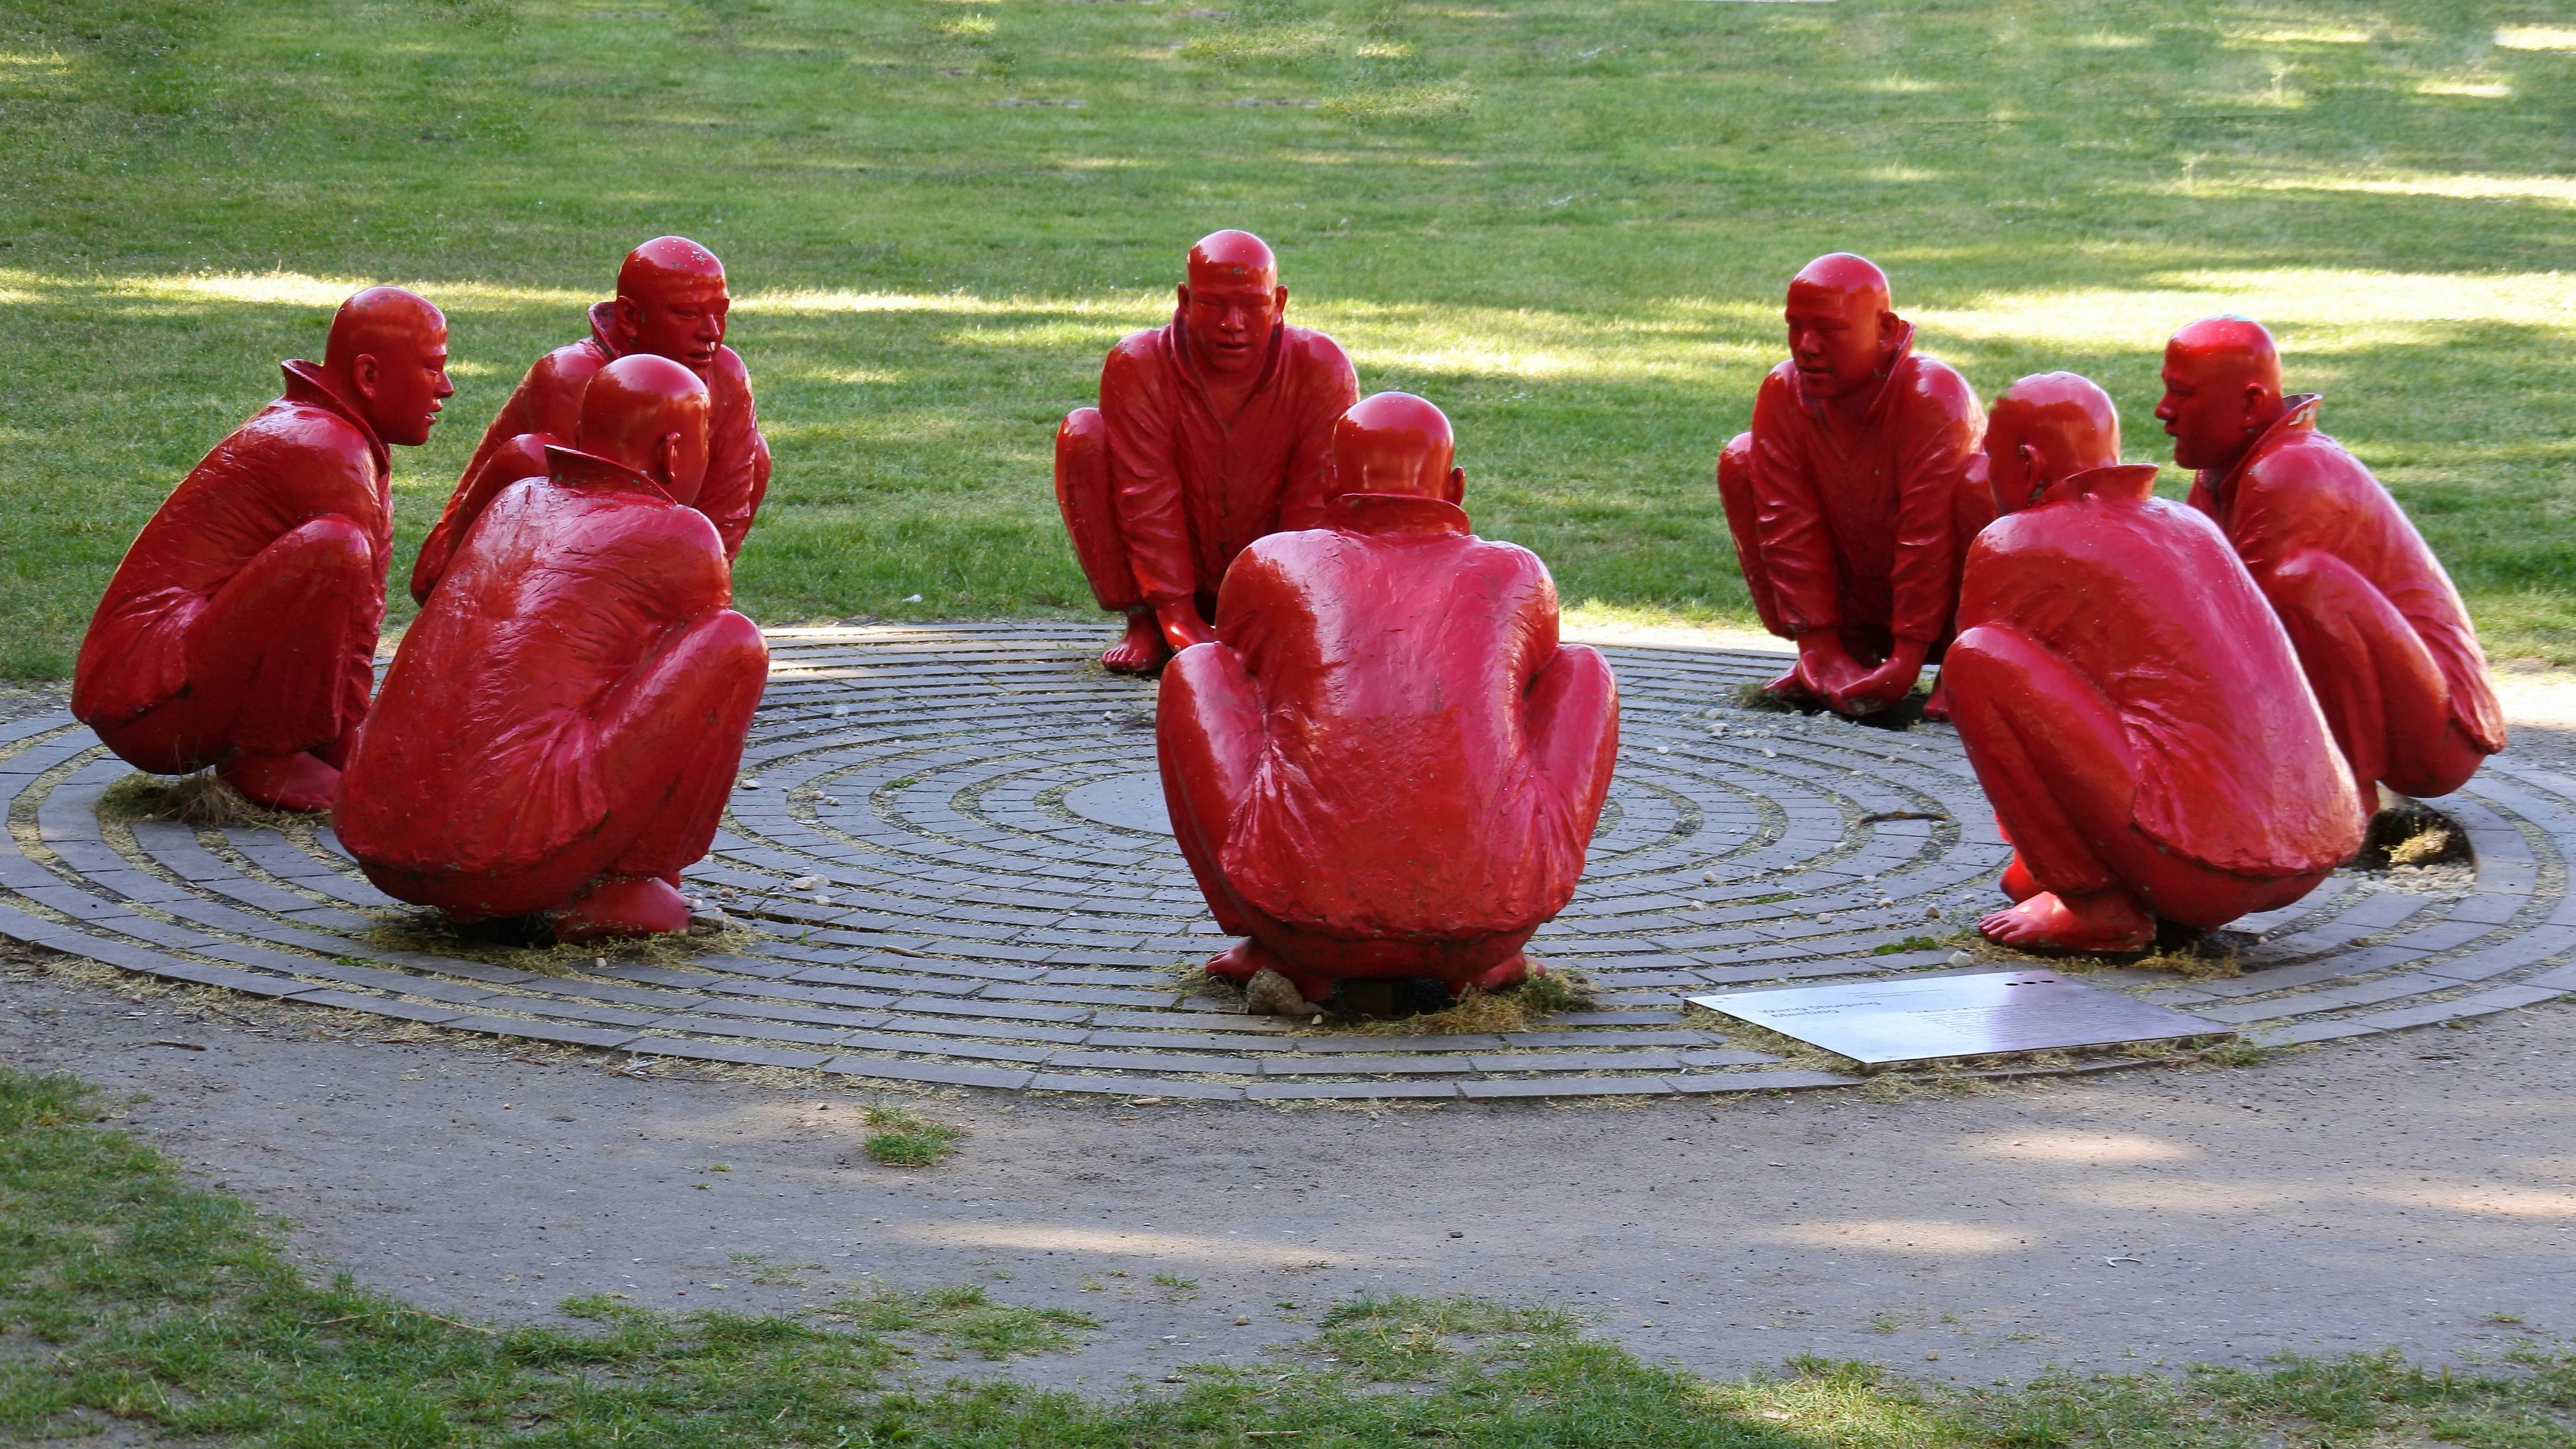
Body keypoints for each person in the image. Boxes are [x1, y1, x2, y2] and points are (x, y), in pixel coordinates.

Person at [1156, 392, 1619, 1005]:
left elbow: (1253, 681)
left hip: (1302, 922)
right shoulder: (1517, 574)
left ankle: (1265, 940)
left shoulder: (1272, 561)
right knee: (1583, 671)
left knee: (1198, 670)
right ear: (1455, 487)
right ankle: (1495, 951)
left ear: (1328, 483)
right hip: (1487, 926)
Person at [337, 355, 768, 942]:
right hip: (508, 862)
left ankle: (503, 875)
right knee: (732, 642)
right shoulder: (683, 535)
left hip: (384, 845)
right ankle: (628, 880)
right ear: (672, 452)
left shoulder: (516, 500)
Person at [1947, 373, 2362, 953]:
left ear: (2028, 462)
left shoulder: (2013, 541)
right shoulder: (2189, 525)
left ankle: (2096, 908)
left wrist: (2046, 866)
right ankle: (2102, 886)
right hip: (2313, 847)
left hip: (2197, 867)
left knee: (1975, 661)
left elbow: (2010, 729)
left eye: (1990, 456)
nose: (1983, 474)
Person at [71, 287, 452, 812]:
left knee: (340, 550)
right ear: (369, 377)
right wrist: (353, 744)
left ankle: (303, 743)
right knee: (335, 549)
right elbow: (358, 613)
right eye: (434, 368)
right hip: (152, 703)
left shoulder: (342, 437)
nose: (447, 389)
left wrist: (353, 742)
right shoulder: (325, 447)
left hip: (164, 684)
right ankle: (267, 757)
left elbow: (352, 623)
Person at [2159, 316, 2504, 802]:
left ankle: (2344, 799)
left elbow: (2251, 642)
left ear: (2250, 403)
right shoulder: (2222, 472)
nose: (2162, 412)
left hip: (2440, 732)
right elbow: (2196, 607)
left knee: (2301, 586)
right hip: (2407, 706)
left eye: (2182, 394)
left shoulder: (2287, 471)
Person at [1055, 229, 1359, 674]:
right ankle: (1145, 620)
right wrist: (1175, 612)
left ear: (1279, 303)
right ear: (1185, 301)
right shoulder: (1139, 363)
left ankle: (1274, 612)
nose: (1232, 324)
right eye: (1214, 304)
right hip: (1171, 568)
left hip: (1268, 566)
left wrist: (1276, 604)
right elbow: (1146, 489)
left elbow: (1312, 499)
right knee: (1084, 437)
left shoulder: (1320, 365)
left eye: (1252, 306)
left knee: (1353, 456)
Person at [410, 235, 769, 602]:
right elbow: (572, 524)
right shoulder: (575, 376)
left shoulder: (724, 375)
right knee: (533, 456)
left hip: (633, 565)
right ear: (630, 317)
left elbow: (726, 514)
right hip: (489, 579)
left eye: (720, 312)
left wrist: (693, 600)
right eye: (687, 314)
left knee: (756, 456)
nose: (711, 333)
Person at [1717, 252, 1990, 716]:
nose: (1805, 346)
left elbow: (1927, 532)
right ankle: (1844, 648)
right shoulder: (1783, 390)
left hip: (1942, 602)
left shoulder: (1931, 394)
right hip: (1861, 592)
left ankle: (1967, 658)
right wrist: (1816, 641)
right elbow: (1787, 522)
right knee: (1742, 460)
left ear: (1884, 331)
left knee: (1978, 486)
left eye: (1829, 330)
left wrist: (1907, 656)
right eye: (1795, 327)